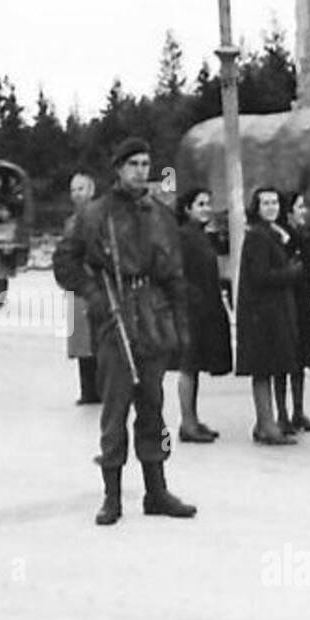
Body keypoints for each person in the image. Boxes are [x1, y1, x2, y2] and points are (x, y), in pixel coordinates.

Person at [54, 137, 195, 525]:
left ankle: (157, 490)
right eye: (133, 163)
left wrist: (182, 327)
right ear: (118, 169)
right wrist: (93, 296)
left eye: (146, 163)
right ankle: (111, 496)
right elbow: (65, 262)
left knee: (153, 408)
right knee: (115, 411)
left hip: (153, 316)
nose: (140, 170)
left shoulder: (161, 215)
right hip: (115, 319)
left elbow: (176, 276)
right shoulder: (94, 216)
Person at [234, 185, 302, 447]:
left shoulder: (271, 234)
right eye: (266, 203)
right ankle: (266, 424)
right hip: (263, 314)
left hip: (273, 311)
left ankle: (266, 423)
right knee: (263, 368)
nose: (272, 207)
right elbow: (261, 276)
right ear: (257, 208)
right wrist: (292, 272)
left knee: (270, 367)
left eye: (275, 203)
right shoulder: (258, 237)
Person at [174, 187, 232, 442]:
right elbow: (177, 272)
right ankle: (187, 423)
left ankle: (193, 419)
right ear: (187, 209)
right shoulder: (184, 236)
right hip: (190, 309)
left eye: (208, 203)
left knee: (195, 365)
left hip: (204, 306)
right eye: (200, 204)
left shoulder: (201, 235)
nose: (206, 208)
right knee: (188, 366)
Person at [273, 192, 310, 434]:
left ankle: (298, 411)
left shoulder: (299, 235)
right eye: (300, 207)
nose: (304, 212)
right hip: (287, 304)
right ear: (288, 212)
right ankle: (281, 414)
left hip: (302, 302)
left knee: (300, 359)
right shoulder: (282, 238)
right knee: (284, 359)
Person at [63, 170, 99, 405]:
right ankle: (88, 390)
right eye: (73, 190)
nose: (77, 194)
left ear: (92, 190)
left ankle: (102, 388)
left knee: (99, 339)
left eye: (81, 189)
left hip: (96, 284)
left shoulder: (100, 217)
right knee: (81, 341)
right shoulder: (71, 222)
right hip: (77, 287)